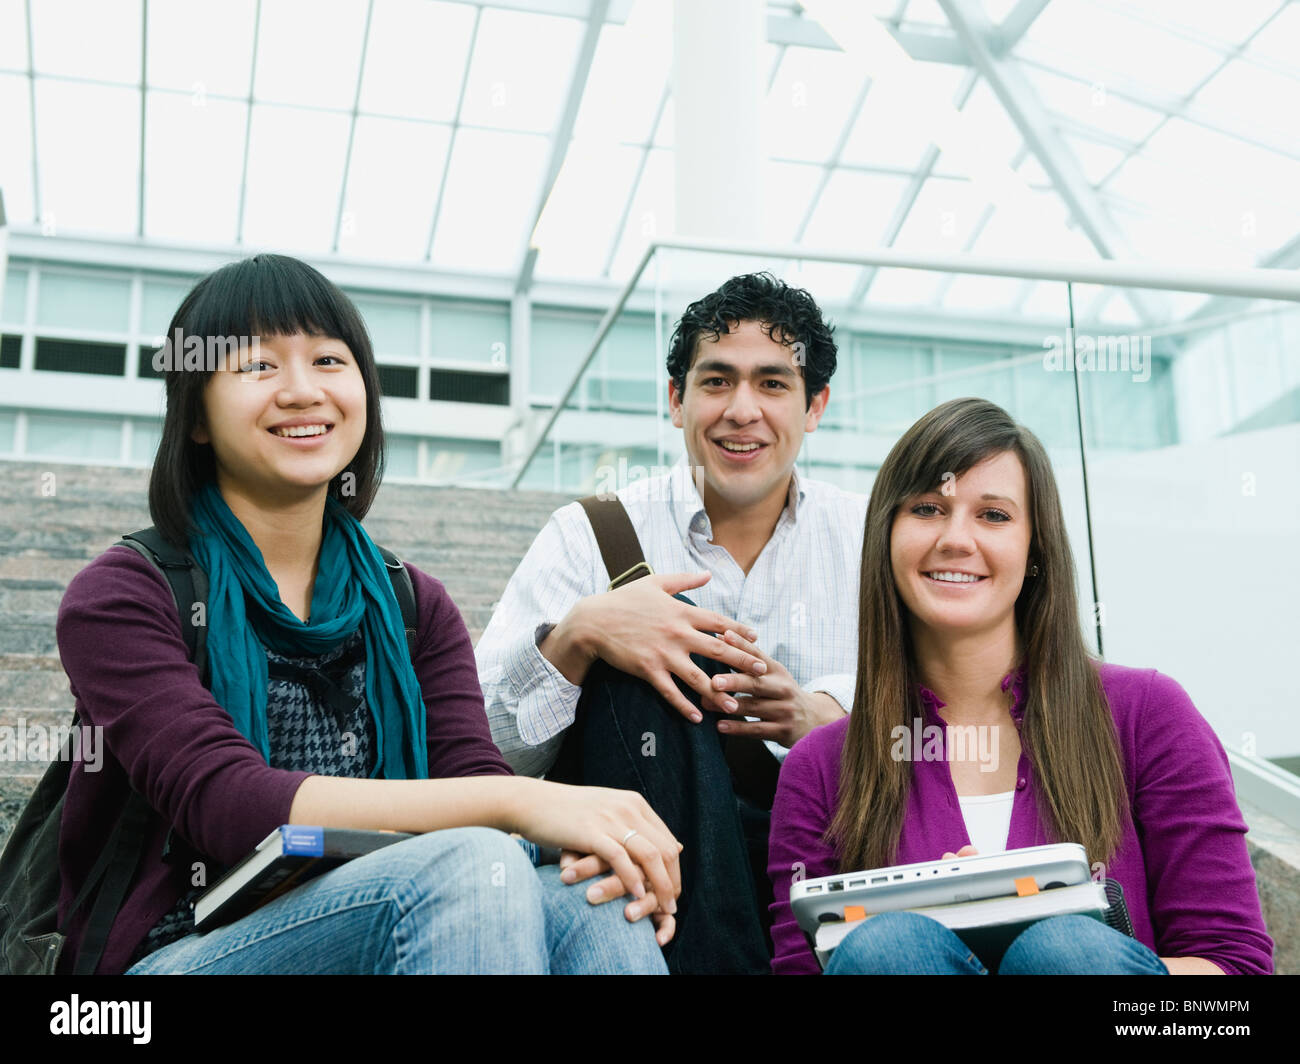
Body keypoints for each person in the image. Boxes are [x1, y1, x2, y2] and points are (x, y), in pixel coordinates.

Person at [55, 254, 679, 975]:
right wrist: (522, 803)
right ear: (195, 415)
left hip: (392, 917)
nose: (301, 390)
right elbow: (228, 806)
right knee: (472, 860)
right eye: (258, 366)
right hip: (175, 956)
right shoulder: (123, 596)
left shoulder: (413, 606)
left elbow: (469, 777)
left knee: (596, 898)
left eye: (327, 359)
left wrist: (592, 840)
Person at [767, 397, 1274, 975]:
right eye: (929, 508)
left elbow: (1234, 970)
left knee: (1062, 951)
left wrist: (1041, 943)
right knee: (891, 949)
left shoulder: (1149, 716)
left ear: (1035, 549)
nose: (956, 539)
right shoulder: (820, 769)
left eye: (994, 515)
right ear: (887, 535)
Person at [477, 273, 867, 973]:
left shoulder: (872, 540)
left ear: (815, 406)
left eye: (773, 384)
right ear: (675, 400)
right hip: (643, 852)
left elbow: (947, 722)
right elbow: (489, 760)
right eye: (716, 382)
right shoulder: (589, 534)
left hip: (818, 848)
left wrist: (824, 723)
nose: (741, 410)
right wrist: (579, 637)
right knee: (649, 643)